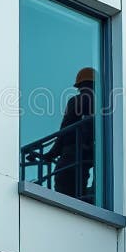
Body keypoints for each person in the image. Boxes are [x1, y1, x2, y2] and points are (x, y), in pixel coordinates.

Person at [44, 67, 96, 201]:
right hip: (89, 154)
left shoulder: (77, 100)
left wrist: (52, 153)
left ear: (79, 85)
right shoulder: (102, 104)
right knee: (80, 186)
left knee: (64, 184)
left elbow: (65, 129)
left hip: (73, 152)